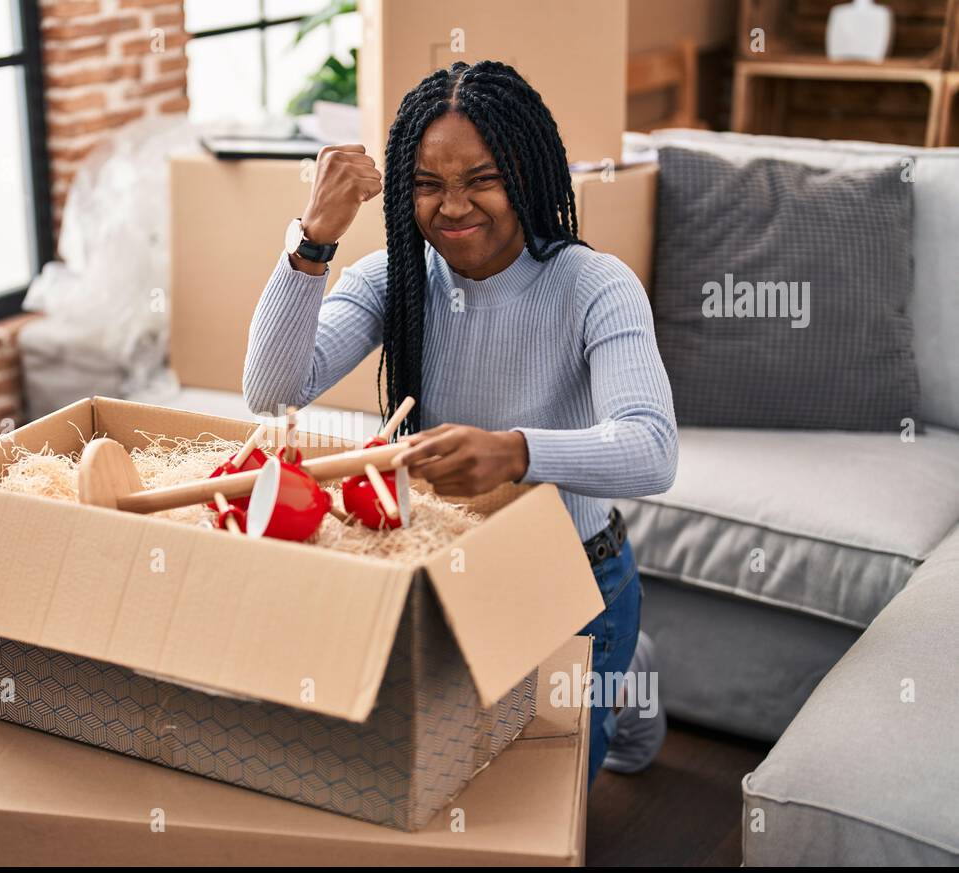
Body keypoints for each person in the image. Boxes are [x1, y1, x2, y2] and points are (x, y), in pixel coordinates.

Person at [242, 60, 677, 783]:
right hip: (450, 569)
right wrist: (313, 235)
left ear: (529, 174)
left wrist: (514, 454)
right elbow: (271, 390)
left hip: (575, 577)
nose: (453, 207)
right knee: (462, 772)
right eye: (427, 184)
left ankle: (623, 664)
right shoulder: (396, 278)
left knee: (549, 788)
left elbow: (652, 450)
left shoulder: (598, 287)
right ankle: (631, 668)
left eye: (481, 179)